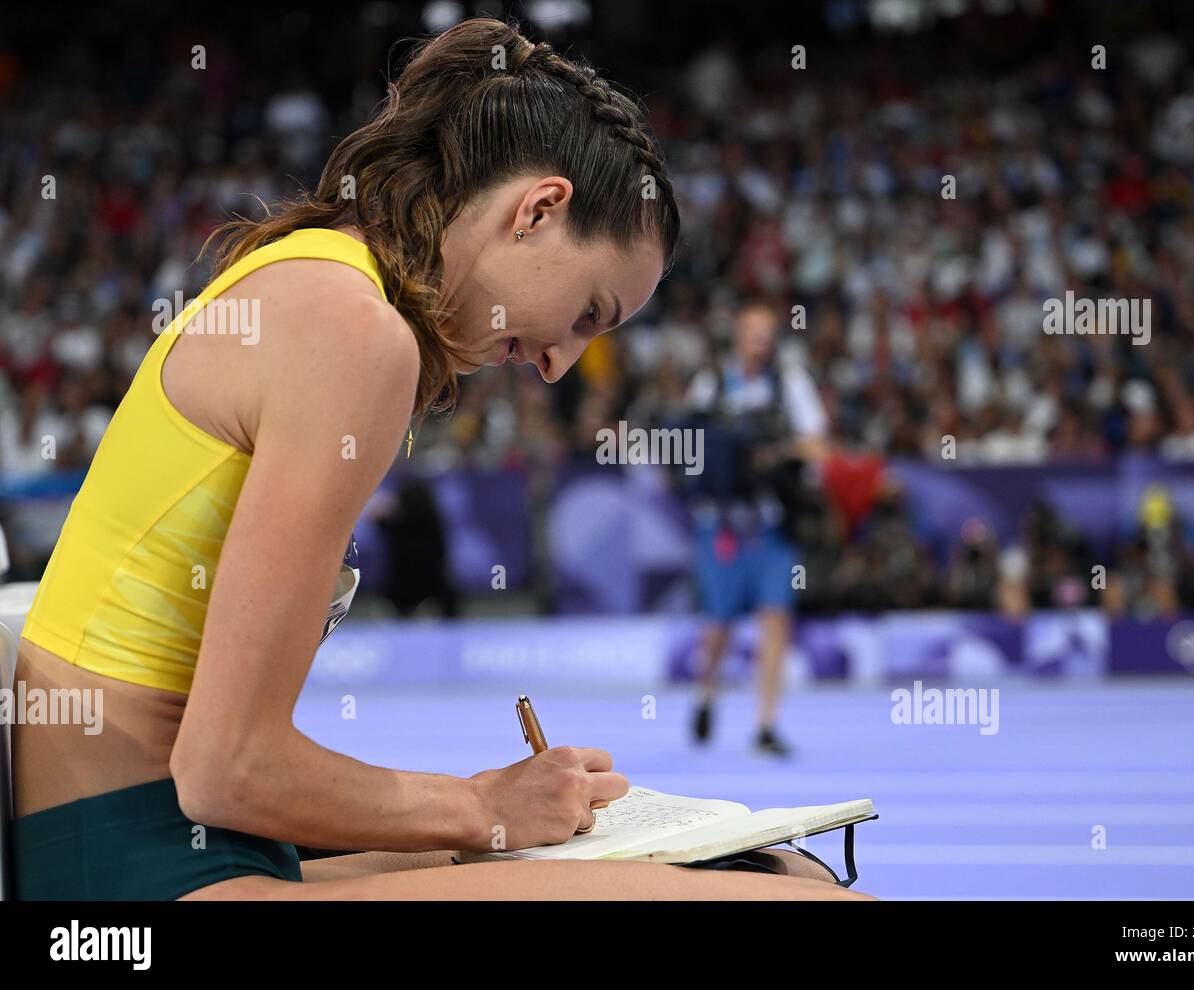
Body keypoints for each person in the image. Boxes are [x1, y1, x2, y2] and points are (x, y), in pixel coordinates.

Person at [12, 19, 865, 901]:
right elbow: (227, 766)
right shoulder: (355, 330)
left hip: (160, 842)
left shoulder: (315, 278)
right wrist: (481, 805)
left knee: (774, 867)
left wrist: (494, 812)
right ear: (538, 210)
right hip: (149, 875)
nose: (558, 364)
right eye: (587, 313)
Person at [682, 301, 829, 756]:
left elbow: (817, 443)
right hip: (722, 526)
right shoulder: (711, 385)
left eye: (767, 334)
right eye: (752, 332)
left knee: (775, 618)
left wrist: (775, 452)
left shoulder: (789, 385)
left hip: (771, 523)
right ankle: (707, 693)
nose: (759, 342)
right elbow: (688, 443)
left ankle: (765, 724)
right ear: (737, 335)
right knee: (719, 628)